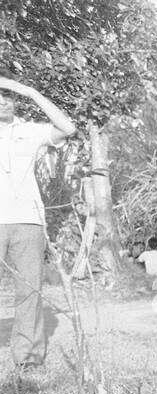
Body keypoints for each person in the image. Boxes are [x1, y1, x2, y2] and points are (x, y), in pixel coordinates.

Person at [0, 77, 76, 369]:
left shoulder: (30, 131)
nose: (4, 100)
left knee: (29, 290)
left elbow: (67, 128)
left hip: (28, 221)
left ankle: (29, 359)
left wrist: (31, 91)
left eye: (9, 95)